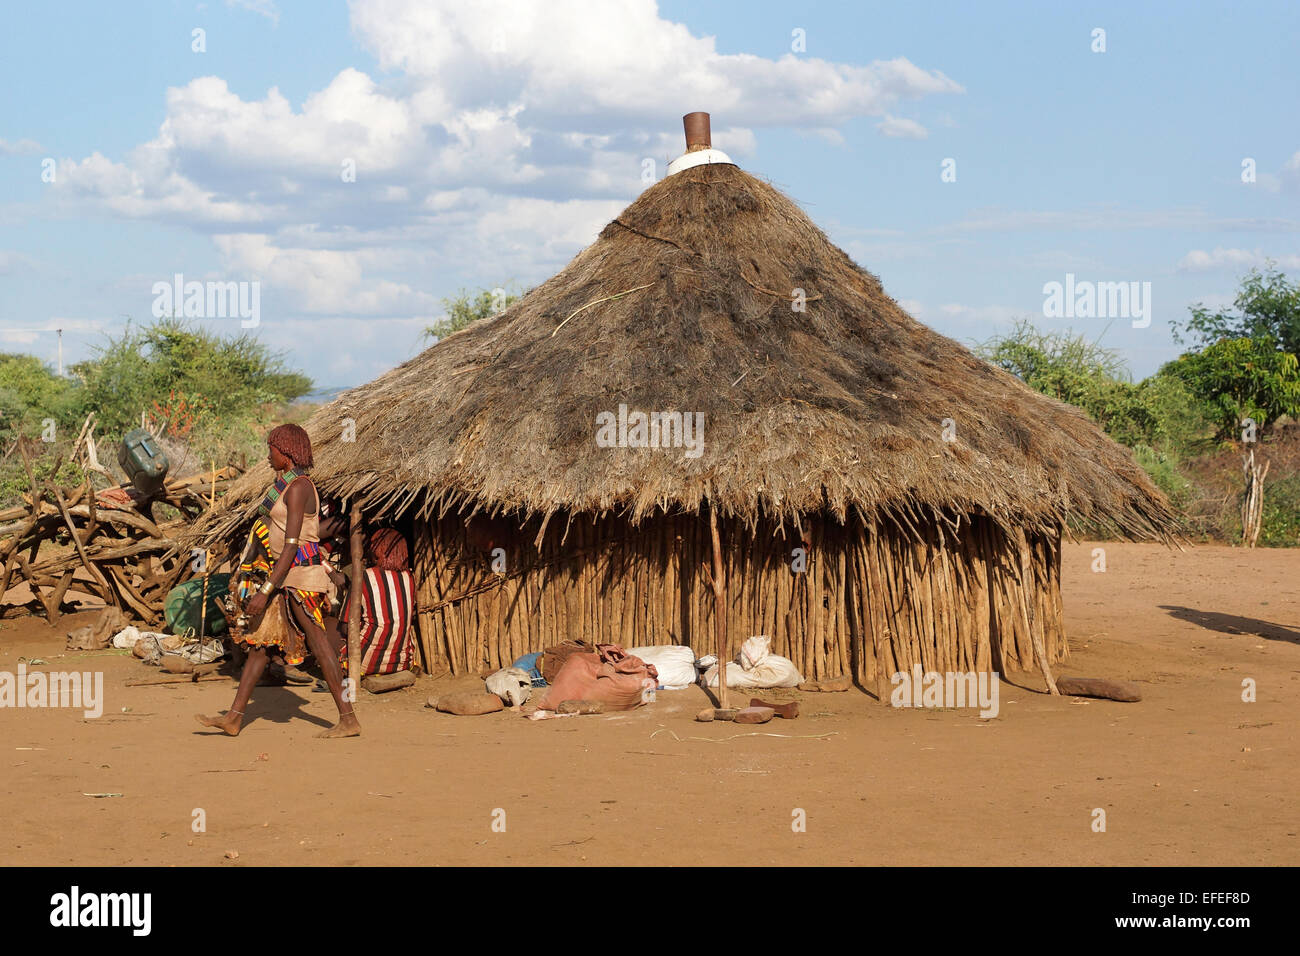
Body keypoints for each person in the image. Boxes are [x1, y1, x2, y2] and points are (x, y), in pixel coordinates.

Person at [197, 424, 361, 738]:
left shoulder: (298, 487)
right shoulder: (285, 486)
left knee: (319, 645)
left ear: (285, 452)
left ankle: (349, 719)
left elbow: (292, 544)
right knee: (260, 645)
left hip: (300, 577)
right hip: (286, 576)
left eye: (271, 448)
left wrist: (266, 589)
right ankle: (234, 717)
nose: (268, 454)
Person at [339, 528, 417, 676]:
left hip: (365, 663)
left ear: (376, 549)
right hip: (402, 662)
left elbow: (345, 627)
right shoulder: (410, 577)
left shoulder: (365, 577)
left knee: (331, 627)